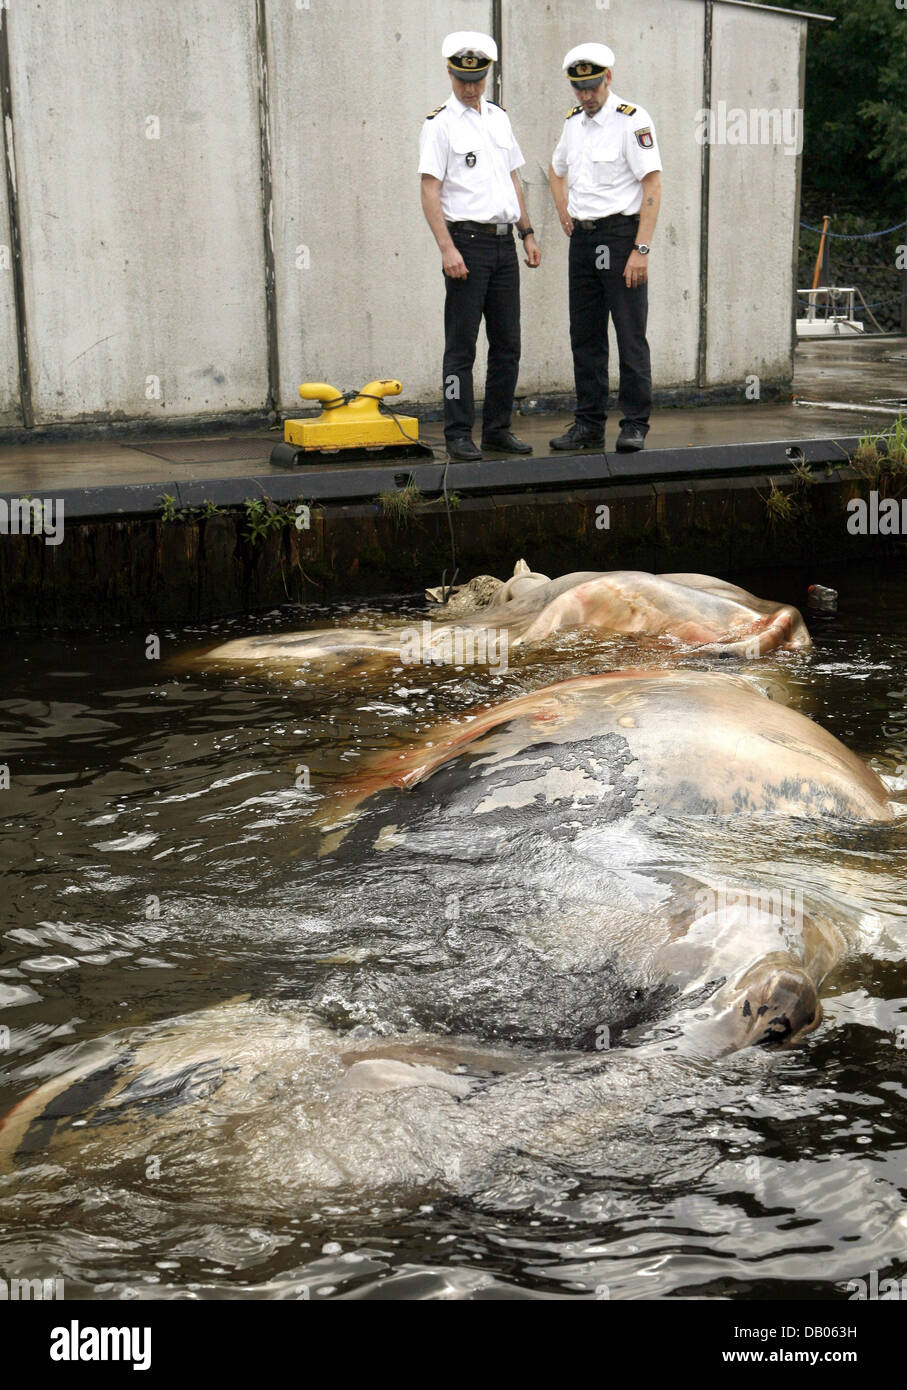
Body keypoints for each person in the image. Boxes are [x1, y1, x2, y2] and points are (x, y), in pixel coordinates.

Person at [418, 30, 541, 462]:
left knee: (508, 343)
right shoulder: (439, 124)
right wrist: (446, 249)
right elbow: (429, 190)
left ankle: (497, 429)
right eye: (462, 79)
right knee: (462, 346)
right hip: (466, 244)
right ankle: (456, 432)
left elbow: (513, 178)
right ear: (450, 74)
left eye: (478, 80)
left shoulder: (498, 118)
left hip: (504, 244)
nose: (470, 88)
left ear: (487, 75)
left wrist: (526, 232)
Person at [548, 42, 662, 453]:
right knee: (586, 336)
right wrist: (565, 212)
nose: (586, 95)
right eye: (579, 87)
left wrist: (641, 249)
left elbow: (652, 185)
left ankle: (634, 423)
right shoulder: (573, 123)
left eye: (593, 86)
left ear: (607, 78)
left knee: (630, 335)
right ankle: (589, 424)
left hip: (620, 238)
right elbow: (555, 169)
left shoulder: (632, 120)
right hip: (583, 239)